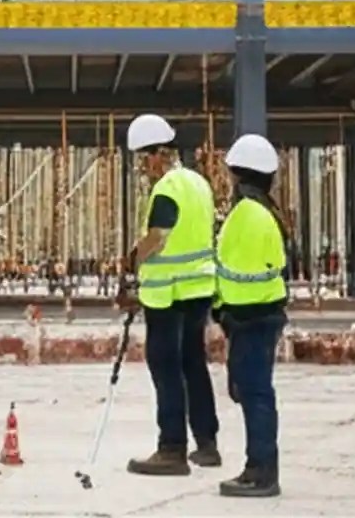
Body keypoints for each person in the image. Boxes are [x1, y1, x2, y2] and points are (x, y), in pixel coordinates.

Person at [121, 113, 221, 475]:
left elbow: (159, 236)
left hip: (168, 295)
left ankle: (172, 448)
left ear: (156, 155)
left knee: (165, 367)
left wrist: (133, 258)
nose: (144, 169)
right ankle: (207, 444)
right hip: (199, 290)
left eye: (143, 160)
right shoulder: (198, 183)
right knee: (193, 362)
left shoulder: (165, 190)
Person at [211, 133, 290, 498]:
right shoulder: (265, 212)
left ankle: (260, 471)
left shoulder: (246, 214)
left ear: (239, 175)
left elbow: (230, 268)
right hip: (257, 316)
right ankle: (259, 467)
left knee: (255, 392)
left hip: (250, 318)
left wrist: (221, 307)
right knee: (250, 390)